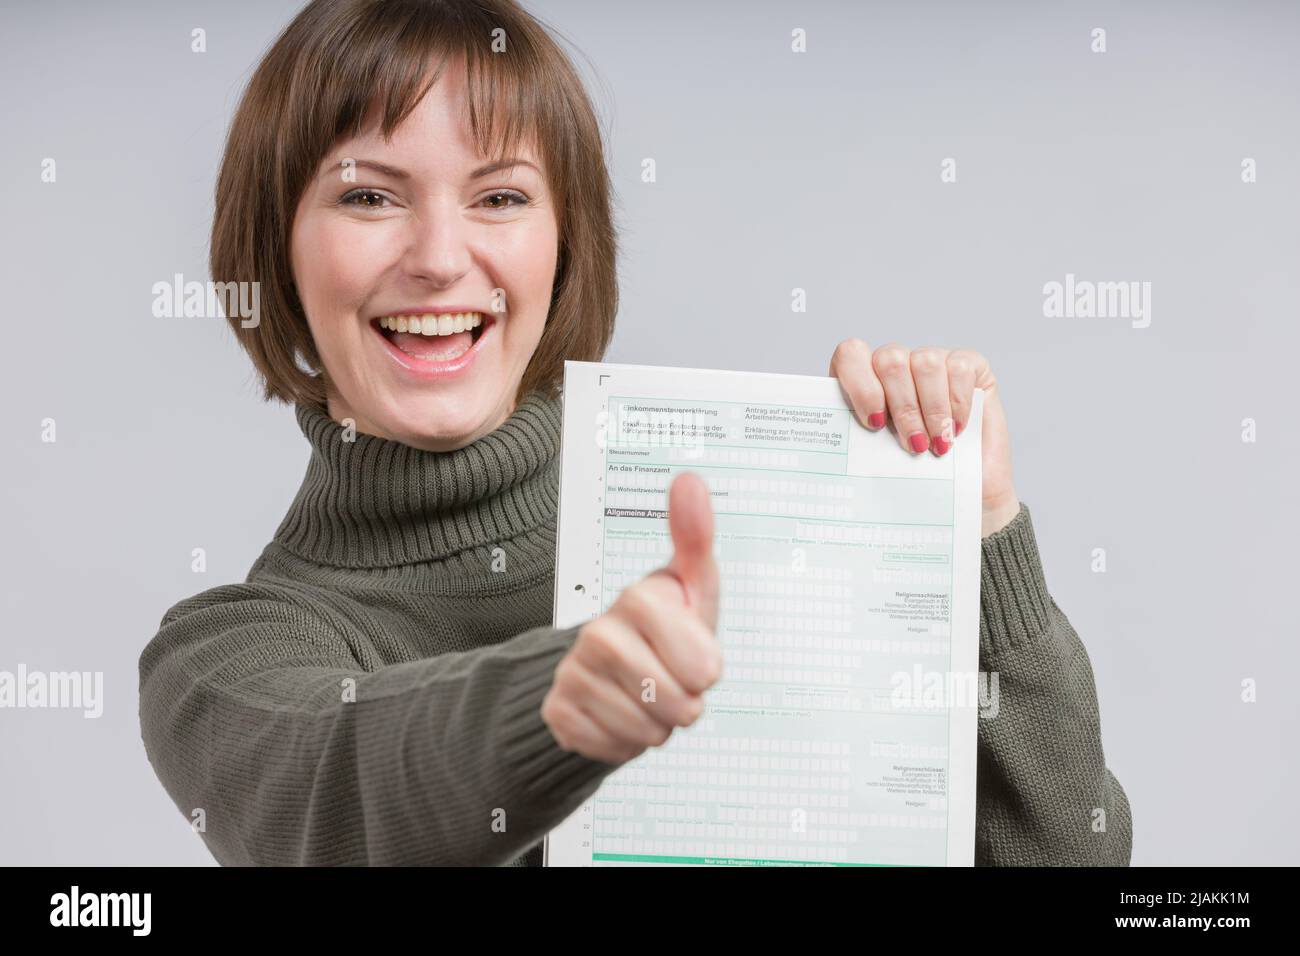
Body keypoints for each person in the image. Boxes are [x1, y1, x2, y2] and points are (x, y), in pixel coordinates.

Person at [138, 0, 1131, 866]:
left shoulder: (753, 504)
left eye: (499, 197)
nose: (440, 258)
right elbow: (342, 784)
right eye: (367, 195)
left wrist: (978, 540)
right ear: (275, 249)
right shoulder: (223, 661)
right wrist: (559, 701)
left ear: (564, 248)